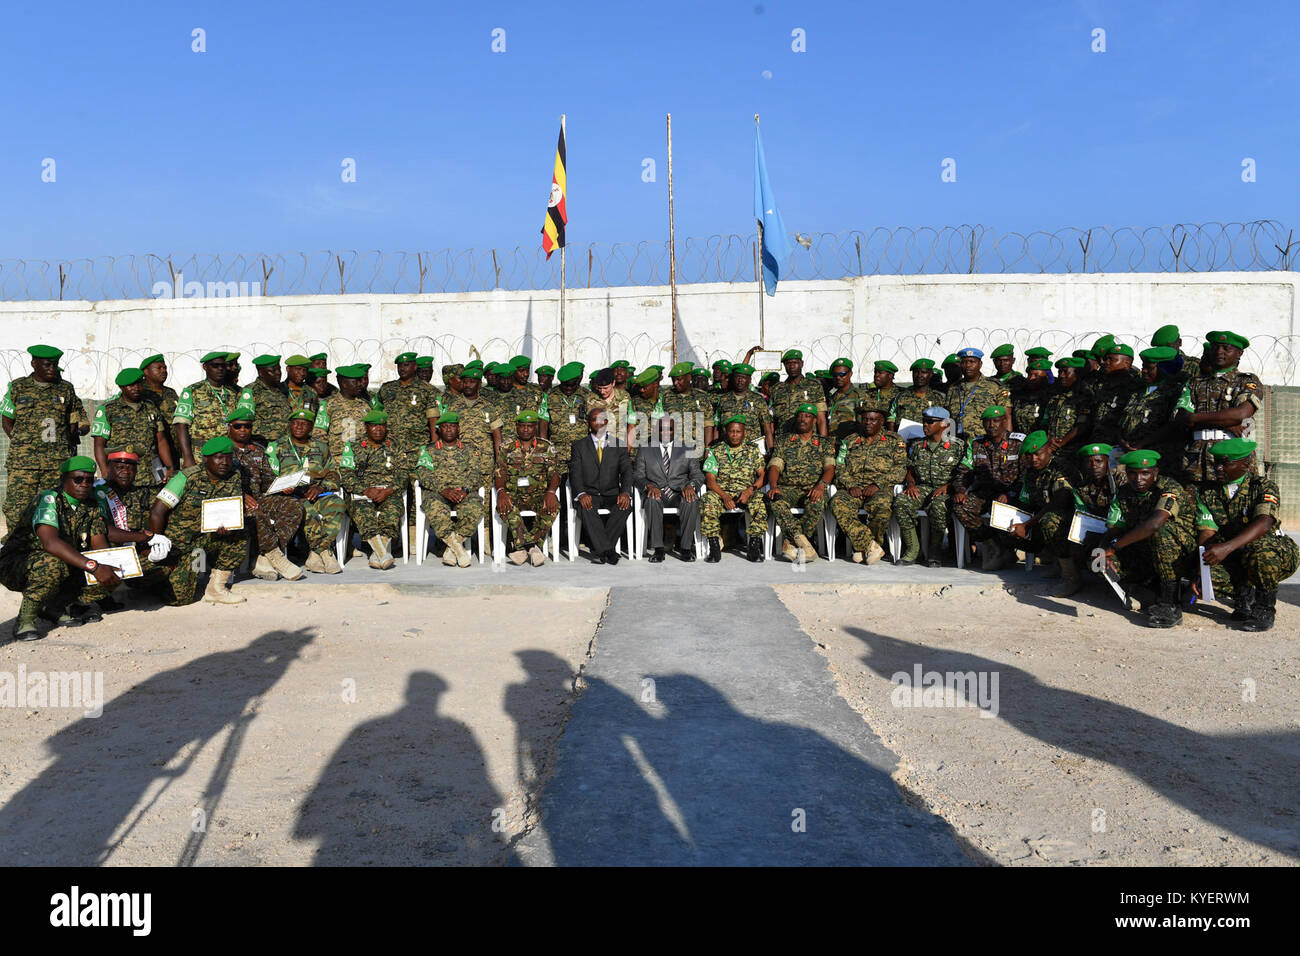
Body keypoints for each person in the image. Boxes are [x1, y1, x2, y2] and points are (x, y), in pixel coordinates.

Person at [0, 456, 119, 640]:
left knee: (110, 567)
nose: (84, 484)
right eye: (78, 479)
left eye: (89, 480)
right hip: (18, 563)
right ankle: (25, 621)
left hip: (59, 559)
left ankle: (55, 608)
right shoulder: (49, 499)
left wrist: (107, 565)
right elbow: (50, 543)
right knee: (53, 565)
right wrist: (93, 566)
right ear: (63, 480)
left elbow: (98, 544)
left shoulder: (91, 505)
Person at [1195, 438, 1299, 632]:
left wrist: (1226, 547)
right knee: (1207, 577)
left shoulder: (1263, 487)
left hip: (1275, 552)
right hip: (1236, 555)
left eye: (1225, 463)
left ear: (1245, 464)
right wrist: (1202, 570)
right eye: (1215, 462)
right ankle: (1243, 598)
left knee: (1259, 550)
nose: (1218, 468)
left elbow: (1264, 522)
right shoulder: (1208, 492)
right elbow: (1207, 531)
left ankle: (1264, 608)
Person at [1100, 449, 1197, 627]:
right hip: (1145, 551)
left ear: (1155, 472)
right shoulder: (1122, 493)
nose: (1138, 479)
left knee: (1160, 534)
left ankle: (1170, 604)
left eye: (1145, 473)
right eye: (1132, 474)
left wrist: (1114, 547)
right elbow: (1113, 529)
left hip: (1179, 553)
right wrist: (1103, 552)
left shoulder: (1168, 488)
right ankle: (1149, 590)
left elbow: (1155, 524)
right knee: (1103, 560)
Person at [2, 344, 92, 536]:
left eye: (55, 365)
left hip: (56, 462)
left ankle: (52, 544)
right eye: (47, 365)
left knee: (55, 505)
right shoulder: (18, 387)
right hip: (23, 464)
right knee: (17, 506)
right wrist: (22, 444)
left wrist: (78, 430)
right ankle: (15, 547)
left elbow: (77, 420)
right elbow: (7, 421)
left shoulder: (65, 389)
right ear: (34, 363)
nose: (52, 369)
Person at [149, 436, 248, 605]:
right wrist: (157, 542)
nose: (224, 462)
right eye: (219, 457)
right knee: (180, 599)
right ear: (205, 459)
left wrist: (230, 527)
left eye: (228, 458)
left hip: (208, 538)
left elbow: (231, 509)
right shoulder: (186, 478)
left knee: (239, 537)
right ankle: (158, 582)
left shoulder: (234, 477)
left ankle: (216, 589)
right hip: (181, 544)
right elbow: (157, 513)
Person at [84, 449, 175, 612]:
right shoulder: (96, 492)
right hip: (100, 553)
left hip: (128, 552)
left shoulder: (139, 493)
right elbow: (103, 530)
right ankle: (89, 599)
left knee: (165, 566)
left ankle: (138, 588)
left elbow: (148, 522)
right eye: (119, 468)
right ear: (109, 468)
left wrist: (150, 549)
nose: (125, 472)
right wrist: (146, 538)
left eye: (130, 468)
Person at [1175, 330, 1263, 484]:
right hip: (1196, 457)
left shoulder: (1246, 381)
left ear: (1239, 353)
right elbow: (1182, 418)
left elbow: (1241, 414)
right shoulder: (1194, 383)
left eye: (1225, 348)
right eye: (1215, 347)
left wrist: (1195, 417)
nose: (1219, 352)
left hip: (1232, 456)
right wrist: (1227, 423)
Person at [226, 410, 304, 581]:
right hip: (232, 501)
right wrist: (241, 496)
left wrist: (282, 487)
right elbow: (215, 481)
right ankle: (275, 556)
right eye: (238, 426)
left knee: (294, 506)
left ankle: (263, 557)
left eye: (248, 426)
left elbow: (268, 479)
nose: (243, 430)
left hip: (259, 498)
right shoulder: (222, 451)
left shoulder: (257, 451)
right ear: (229, 427)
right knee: (257, 515)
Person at [266, 408, 344, 574]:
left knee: (337, 504)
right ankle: (324, 552)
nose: (299, 427)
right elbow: (268, 476)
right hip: (291, 496)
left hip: (317, 492)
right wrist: (282, 488)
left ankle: (316, 554)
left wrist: (322, 487)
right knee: (305, 509)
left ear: (311, 427)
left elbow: (334, 473)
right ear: (290, 425)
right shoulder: (277, 447)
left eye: (304, 424)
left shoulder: (321, 447)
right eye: (295, 423)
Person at [829, 406, 905, 564]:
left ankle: (866, 547)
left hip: (880, 488)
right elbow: (840, 466)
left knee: (882, 506)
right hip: (853, 488)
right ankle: (870, 546)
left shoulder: (894, 441)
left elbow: (900, 469)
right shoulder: (849, 441)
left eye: (873, 420)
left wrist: (878, 484)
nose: (868, 423)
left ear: (882, 421)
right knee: (837, 503)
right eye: (865, 419)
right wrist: (850, 485)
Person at [952, 405, 1025, 570]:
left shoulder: (1018, 443)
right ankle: (993, 546)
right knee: (960, 507)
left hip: (1012, 493)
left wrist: (1011, 493)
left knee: (1002, 509)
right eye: (987, 422)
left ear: (1005, 421)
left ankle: (1008, 550)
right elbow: (963, 471)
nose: (992, 425)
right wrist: (961, 490)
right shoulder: (976, 444)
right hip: (984, 492)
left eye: (996, 421)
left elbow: (1026, 475)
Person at [1007, 431, 1080, 594]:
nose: (1034, 459)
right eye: (1030, 455)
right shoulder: (1031, 472)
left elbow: (1061, 501)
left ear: (1048, 449)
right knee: (1007, 524)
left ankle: (1071, 577)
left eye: (1038, 454)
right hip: (1042, 517)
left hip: (1069, 522)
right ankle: (1055, 561)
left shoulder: (1061, 468)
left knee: (1049, 521)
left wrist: (1027, 524)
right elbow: (1025, 501)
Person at [893, 407, 964, 567]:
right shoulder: (918, 445)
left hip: (946, 490)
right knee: (901, 502)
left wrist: (948, 486)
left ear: (945, 425)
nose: (925, 425)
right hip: (923, 487)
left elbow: (965, 473)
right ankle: (913, 550)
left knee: (939, 506)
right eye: (924, 421)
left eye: (930, 422)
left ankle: (934, 551)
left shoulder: (958, 446)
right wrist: (911, 483)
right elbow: (909, 469)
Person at [415, 411, 486, 568]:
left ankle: (450, 549)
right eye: (445, 427)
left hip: (463, 493)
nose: (448, 430)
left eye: (452, 427)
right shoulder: (428, 450)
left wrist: (465, 490)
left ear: (458, 429)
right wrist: (443, 490)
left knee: (475, 508)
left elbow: (475, 473)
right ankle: (459, 550)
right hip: (437, 493)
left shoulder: (469, 449)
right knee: (435, 508)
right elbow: (423, 474)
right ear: (439, 429)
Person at [765, 404, 835, 562]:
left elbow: (830, 468)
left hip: (812, 489)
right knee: (775, 500)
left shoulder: (824, 443)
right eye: (800, 416)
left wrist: (821, 485)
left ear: (815, 420)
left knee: (817, 503)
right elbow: (775, 465)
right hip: (787, 488)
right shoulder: (785, 441)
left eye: (807, 416)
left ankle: (792, 544)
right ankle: (804, 545)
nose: (803, 419)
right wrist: (774, 486)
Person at [339, 410, 407, 570]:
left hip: (388, 492)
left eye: (382, 426)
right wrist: (365, 490)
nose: (378, 429)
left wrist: (390, 490)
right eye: (374, 426)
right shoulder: (353, 446)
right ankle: (383, 554)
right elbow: (346, 474)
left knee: (393, 511)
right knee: (363, 513)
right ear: (366, 427)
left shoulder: (395, 445)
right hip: (362, 493)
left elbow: (404, 473)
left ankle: (378, 554)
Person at [494, 410, 562, 566]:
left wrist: (551, 492)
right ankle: (533, 548)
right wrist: (501, 492)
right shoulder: (506, 447)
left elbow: (555, 474)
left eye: (530, 426)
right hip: (514, 495)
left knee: (553, 506)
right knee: (505, 506)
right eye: (522, 426)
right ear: (516, 427)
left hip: (539, 495)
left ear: (536, 427)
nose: (526, 429)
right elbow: (499, 473)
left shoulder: (546, 447)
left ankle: (522, 548)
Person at [634, 414, 704, 562]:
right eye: (661, 430)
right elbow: (637, 476)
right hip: (656, 492)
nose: (665, 433)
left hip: (680, 492)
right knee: (652, 500)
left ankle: (685, 548)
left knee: (691, 501)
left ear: (675, 430)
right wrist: (649, 485)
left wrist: (691, 486)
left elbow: (698, 475)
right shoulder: (645, 449)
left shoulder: (688, 448)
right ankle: (658, 549)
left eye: (669, 429)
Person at [568, 407, 633, 565]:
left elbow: (627, 472)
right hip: (589, 493)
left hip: (611, 493)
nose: (597, 422)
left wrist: (625, 492)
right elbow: (575, 473)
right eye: (593, 419)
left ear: (606, 421)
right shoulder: (579, 446)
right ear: (588, 423)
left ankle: (601, 550)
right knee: (586, 507)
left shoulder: (619, 445)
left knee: (624, 506)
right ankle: (609, 551)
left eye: (600, 419)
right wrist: (581, 493)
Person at [700, 415, 767, 563]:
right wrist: (724, 496)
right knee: (707, 500)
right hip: (721, 492)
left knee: (760, 503)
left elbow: (763, 476)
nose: (735, 435)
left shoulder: (753, 451)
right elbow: (710, 480)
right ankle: (714, 546)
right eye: (731, 431)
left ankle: (754, 547)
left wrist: (750, 491)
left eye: (738, 432)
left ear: (744, 433)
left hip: (746, 492)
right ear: (726, 432)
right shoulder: (715, 451)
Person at [91, 367, 174, 486]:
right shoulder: (108, 410)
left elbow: (161, 440)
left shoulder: (151, 408)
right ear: (122, 387)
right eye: (131, 385)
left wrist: (169, 466)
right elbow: (99, 445)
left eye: (139, 384)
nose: (136, 388)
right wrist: (105, 471)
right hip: (122, 475)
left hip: (152, 473)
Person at [1118, 346, 1186, 472]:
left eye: (1149, 368)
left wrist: (1141, 444)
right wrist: (1122, 441)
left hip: (1157, 457)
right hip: (1129, 453)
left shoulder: (1174, 392)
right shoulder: (1137, 392)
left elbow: (1172, 425)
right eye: (1143, 367)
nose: (1143, 371)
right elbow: (1123, 421)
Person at [173, 350, 239, 468]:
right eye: (215, 366)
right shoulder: (193, 391)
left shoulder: (232, 393)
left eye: (223, 366)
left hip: (228, 455)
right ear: (205, 367)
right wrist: (188, 457)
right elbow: (181, 425)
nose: (220, 369)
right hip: (202, 455)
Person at [374, 351, 441, 458]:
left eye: (406, 365)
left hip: (416, 447)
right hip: (390, 446)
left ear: (415, 367)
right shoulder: (387, 388)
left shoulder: (427, 390)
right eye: (399, 366)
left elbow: (433, 419)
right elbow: (376, 413)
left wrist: (434, 446)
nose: (402, 369)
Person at [946, 347, 1012, 440]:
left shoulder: (995, 387)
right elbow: (948, 418)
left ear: (980, 364)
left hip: (984, 443)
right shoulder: (953, 388)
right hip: (958, 442)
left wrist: (1008, 442)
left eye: (972, 362)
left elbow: (1006, 416)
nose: (968, 365)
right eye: (964, 362)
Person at [1088, 343, 1143, 449]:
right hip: (1097, 444)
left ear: (1126, 363)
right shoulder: (1102, 385)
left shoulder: (1135, 388)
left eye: (1111, 360)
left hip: (1119, 446)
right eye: (1106, 359)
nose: (1105, 362)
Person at [445, 365, 505, 463]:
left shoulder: (489, 407)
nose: (468, 385)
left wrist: (500, 464)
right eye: (465, 382)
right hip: (460, 463)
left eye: (472, 382)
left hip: (484, 463)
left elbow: (497, 437)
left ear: (479, 384)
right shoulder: (452, 406)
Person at [1040, 356, 1093, 464]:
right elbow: (1045, 422)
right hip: (1051, 448)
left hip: (1072, 451)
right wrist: (1049, 439)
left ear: (1077, 374)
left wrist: (1062, 442)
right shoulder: (1054, 397)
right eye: (1059, 372)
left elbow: (1082, 426)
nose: (1061, 376)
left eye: (1065, 372)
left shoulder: (1084, 397)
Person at [319, 363, 376, 462]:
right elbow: (319, 436)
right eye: (355, 382)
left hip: (362, 462)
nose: (360, 384)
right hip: (338, 463)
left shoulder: (365, 406)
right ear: (344, 383)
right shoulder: (328, 405)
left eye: (360, 381)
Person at [236, 354, 294, 446]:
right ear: (261, 373)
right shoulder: (251, 391)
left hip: (285, 443)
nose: (278, 373)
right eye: (273, 371)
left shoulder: (281, 390)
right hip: (263, 444)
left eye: (278, 369)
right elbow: (244, 420)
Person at [714, 363, 774, 451]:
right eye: (737, 377)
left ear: (749, 380)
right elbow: (717, 427)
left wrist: (770, 450)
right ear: (733, 379)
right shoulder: (723, 399)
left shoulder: (758, 400)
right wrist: (713, 449)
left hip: (751, 452)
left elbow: (767, 429)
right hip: (726, 452)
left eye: (744, 377)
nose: (740, 380)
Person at [769, 349, 828, 437]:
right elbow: (772, 420)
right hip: (783, 442)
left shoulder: (814, 386)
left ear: (802, 363)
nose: (792, 366)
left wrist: (824, 442)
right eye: (788, 363)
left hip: (808, 443)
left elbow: (821, 418)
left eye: (795, 362)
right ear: (784, 366)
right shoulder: (777, 389)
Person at [659, 360, 714, 453]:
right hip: (673, 452)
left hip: (696, 452)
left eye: (679, 379)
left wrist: (707, 450)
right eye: (673, 380)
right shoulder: (666, 396)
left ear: (689, 377)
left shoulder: (702, 397)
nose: (676, 383)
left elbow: (708, 425)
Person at [139, 352, 179, 464]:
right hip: (151, 451)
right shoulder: (140, 393)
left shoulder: (170, 393)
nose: (163, 371)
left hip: (173, 449)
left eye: (165, 368)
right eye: (159, 368)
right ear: (146, 372)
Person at [626, 366, 666, 460]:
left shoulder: (667, 400)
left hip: (660, 455)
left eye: (645, 387)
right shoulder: (635, 402)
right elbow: (631, 428)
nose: (641, 390)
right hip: (638, 455)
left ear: (655, 384)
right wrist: (625, 455)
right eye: (640, 387)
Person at [825, 358, 866, 447]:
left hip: (850, 445)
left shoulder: (858, 396)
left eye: (842, 374)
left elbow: (863, 424)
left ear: (850, 374)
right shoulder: (832, 397)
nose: (838, 378)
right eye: (835, 375)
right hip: (831, 444)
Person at [892, 359, 944, 427]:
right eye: (916, 372)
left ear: (930, 374)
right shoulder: (900, 396)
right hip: (902, 436)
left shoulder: (938, 398)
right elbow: (891, 419)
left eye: (923, 372)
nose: (919, 375)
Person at [1009, 358, 1052, 436]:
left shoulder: (1051, 398)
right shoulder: (1019, 396)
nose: (1031, 378)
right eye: (1029, 375)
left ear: (1046, 378)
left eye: (1036, 375)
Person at [862, 361, 902, 426]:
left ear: (890, 375)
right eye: (875, 372)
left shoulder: (901, 394)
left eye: (880, 373)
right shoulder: (868, 394)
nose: (876, 375)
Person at [283, 354, 320, 419]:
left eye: (305, 370)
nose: (302, 373)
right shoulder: (279, 390)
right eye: (298, 369)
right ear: (288, 369)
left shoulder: (311, 392)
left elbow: (316, 416)